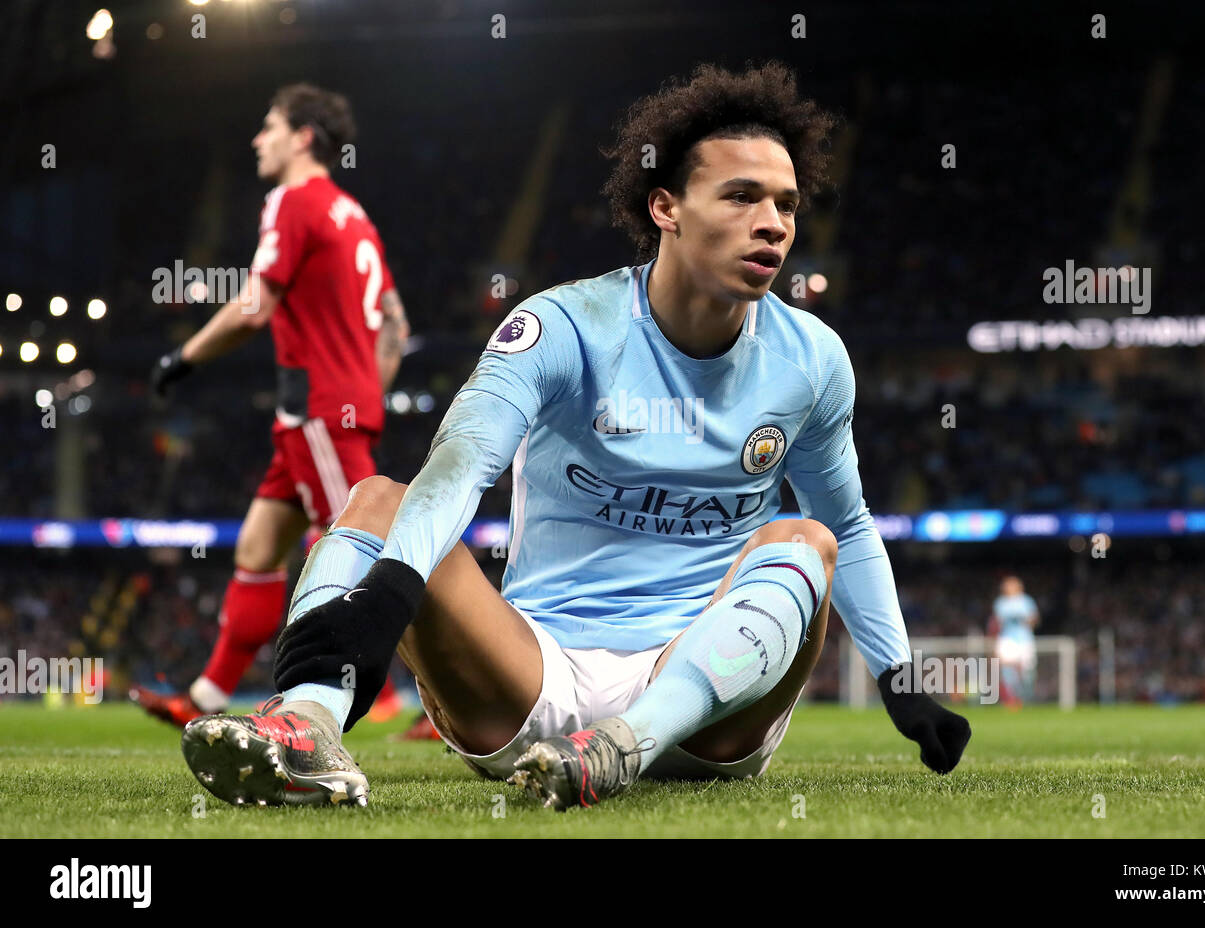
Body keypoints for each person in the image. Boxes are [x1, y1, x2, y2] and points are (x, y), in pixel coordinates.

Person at [181, 62, 970, 811]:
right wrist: (388, 598)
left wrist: (899, 681)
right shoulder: (560, 326)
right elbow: (463, 464)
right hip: (529, 681)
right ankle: (307, 725)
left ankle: (626, 745)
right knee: (380, 499)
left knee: (804, 539)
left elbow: (850, 524)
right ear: (665, 208)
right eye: (740, 196)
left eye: (788, 204)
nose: (771, 224)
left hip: (701, 710)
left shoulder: (812, 360)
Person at [132, 83, 408, 727]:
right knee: (258, 548)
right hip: (314, 415)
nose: (258, 139)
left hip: (319, 411)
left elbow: (254, 307)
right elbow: (394, 321)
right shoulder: (354, 215)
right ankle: (205, 698)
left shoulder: (293, 200)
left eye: (269, 127)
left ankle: (417, 695)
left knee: (365, 553)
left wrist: (184, 359)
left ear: (303, 137)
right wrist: (366, 388)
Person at [988, 575, 1039, 707]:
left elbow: (1034, 620)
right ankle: (1011, 700)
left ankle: (1027, 698)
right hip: (1007, 640)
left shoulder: (1026, 601)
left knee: (1028, 671)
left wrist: (1028, 621)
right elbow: (996, 624)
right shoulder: (1000, 603)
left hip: (1024, 640)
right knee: (1007, 671)